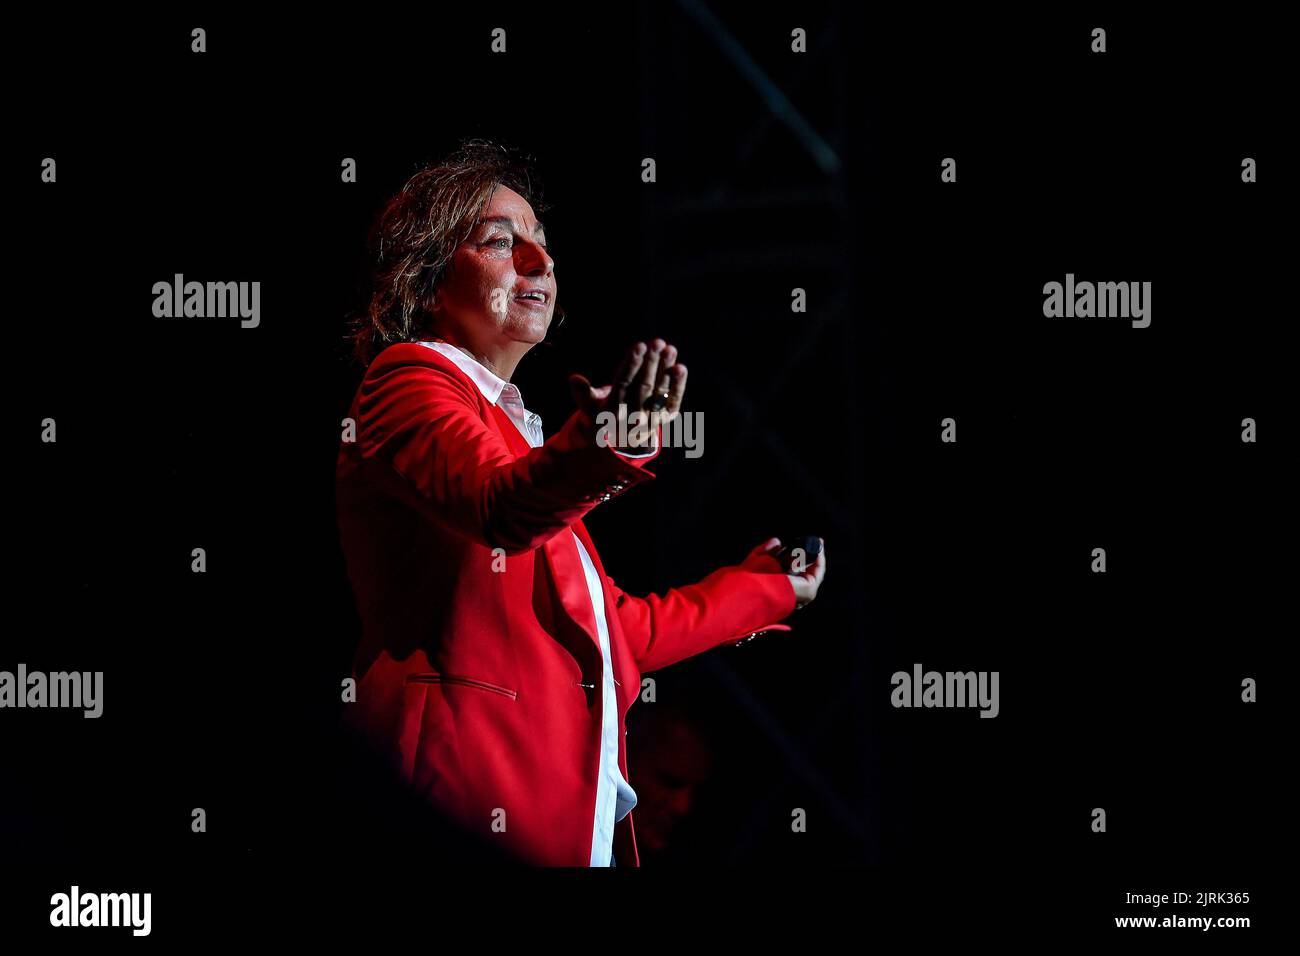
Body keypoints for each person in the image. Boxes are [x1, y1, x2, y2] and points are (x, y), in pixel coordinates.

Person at [336, 139, 827, 866]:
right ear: (431, 277)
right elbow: (499, 507)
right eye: (501, 242)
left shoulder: (514, 432)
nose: (541, 262)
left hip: (563, 821)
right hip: (464, 792)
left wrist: (768, 590)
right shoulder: (407, 379)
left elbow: (620, 633)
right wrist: (602, 449)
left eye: (543, 243)